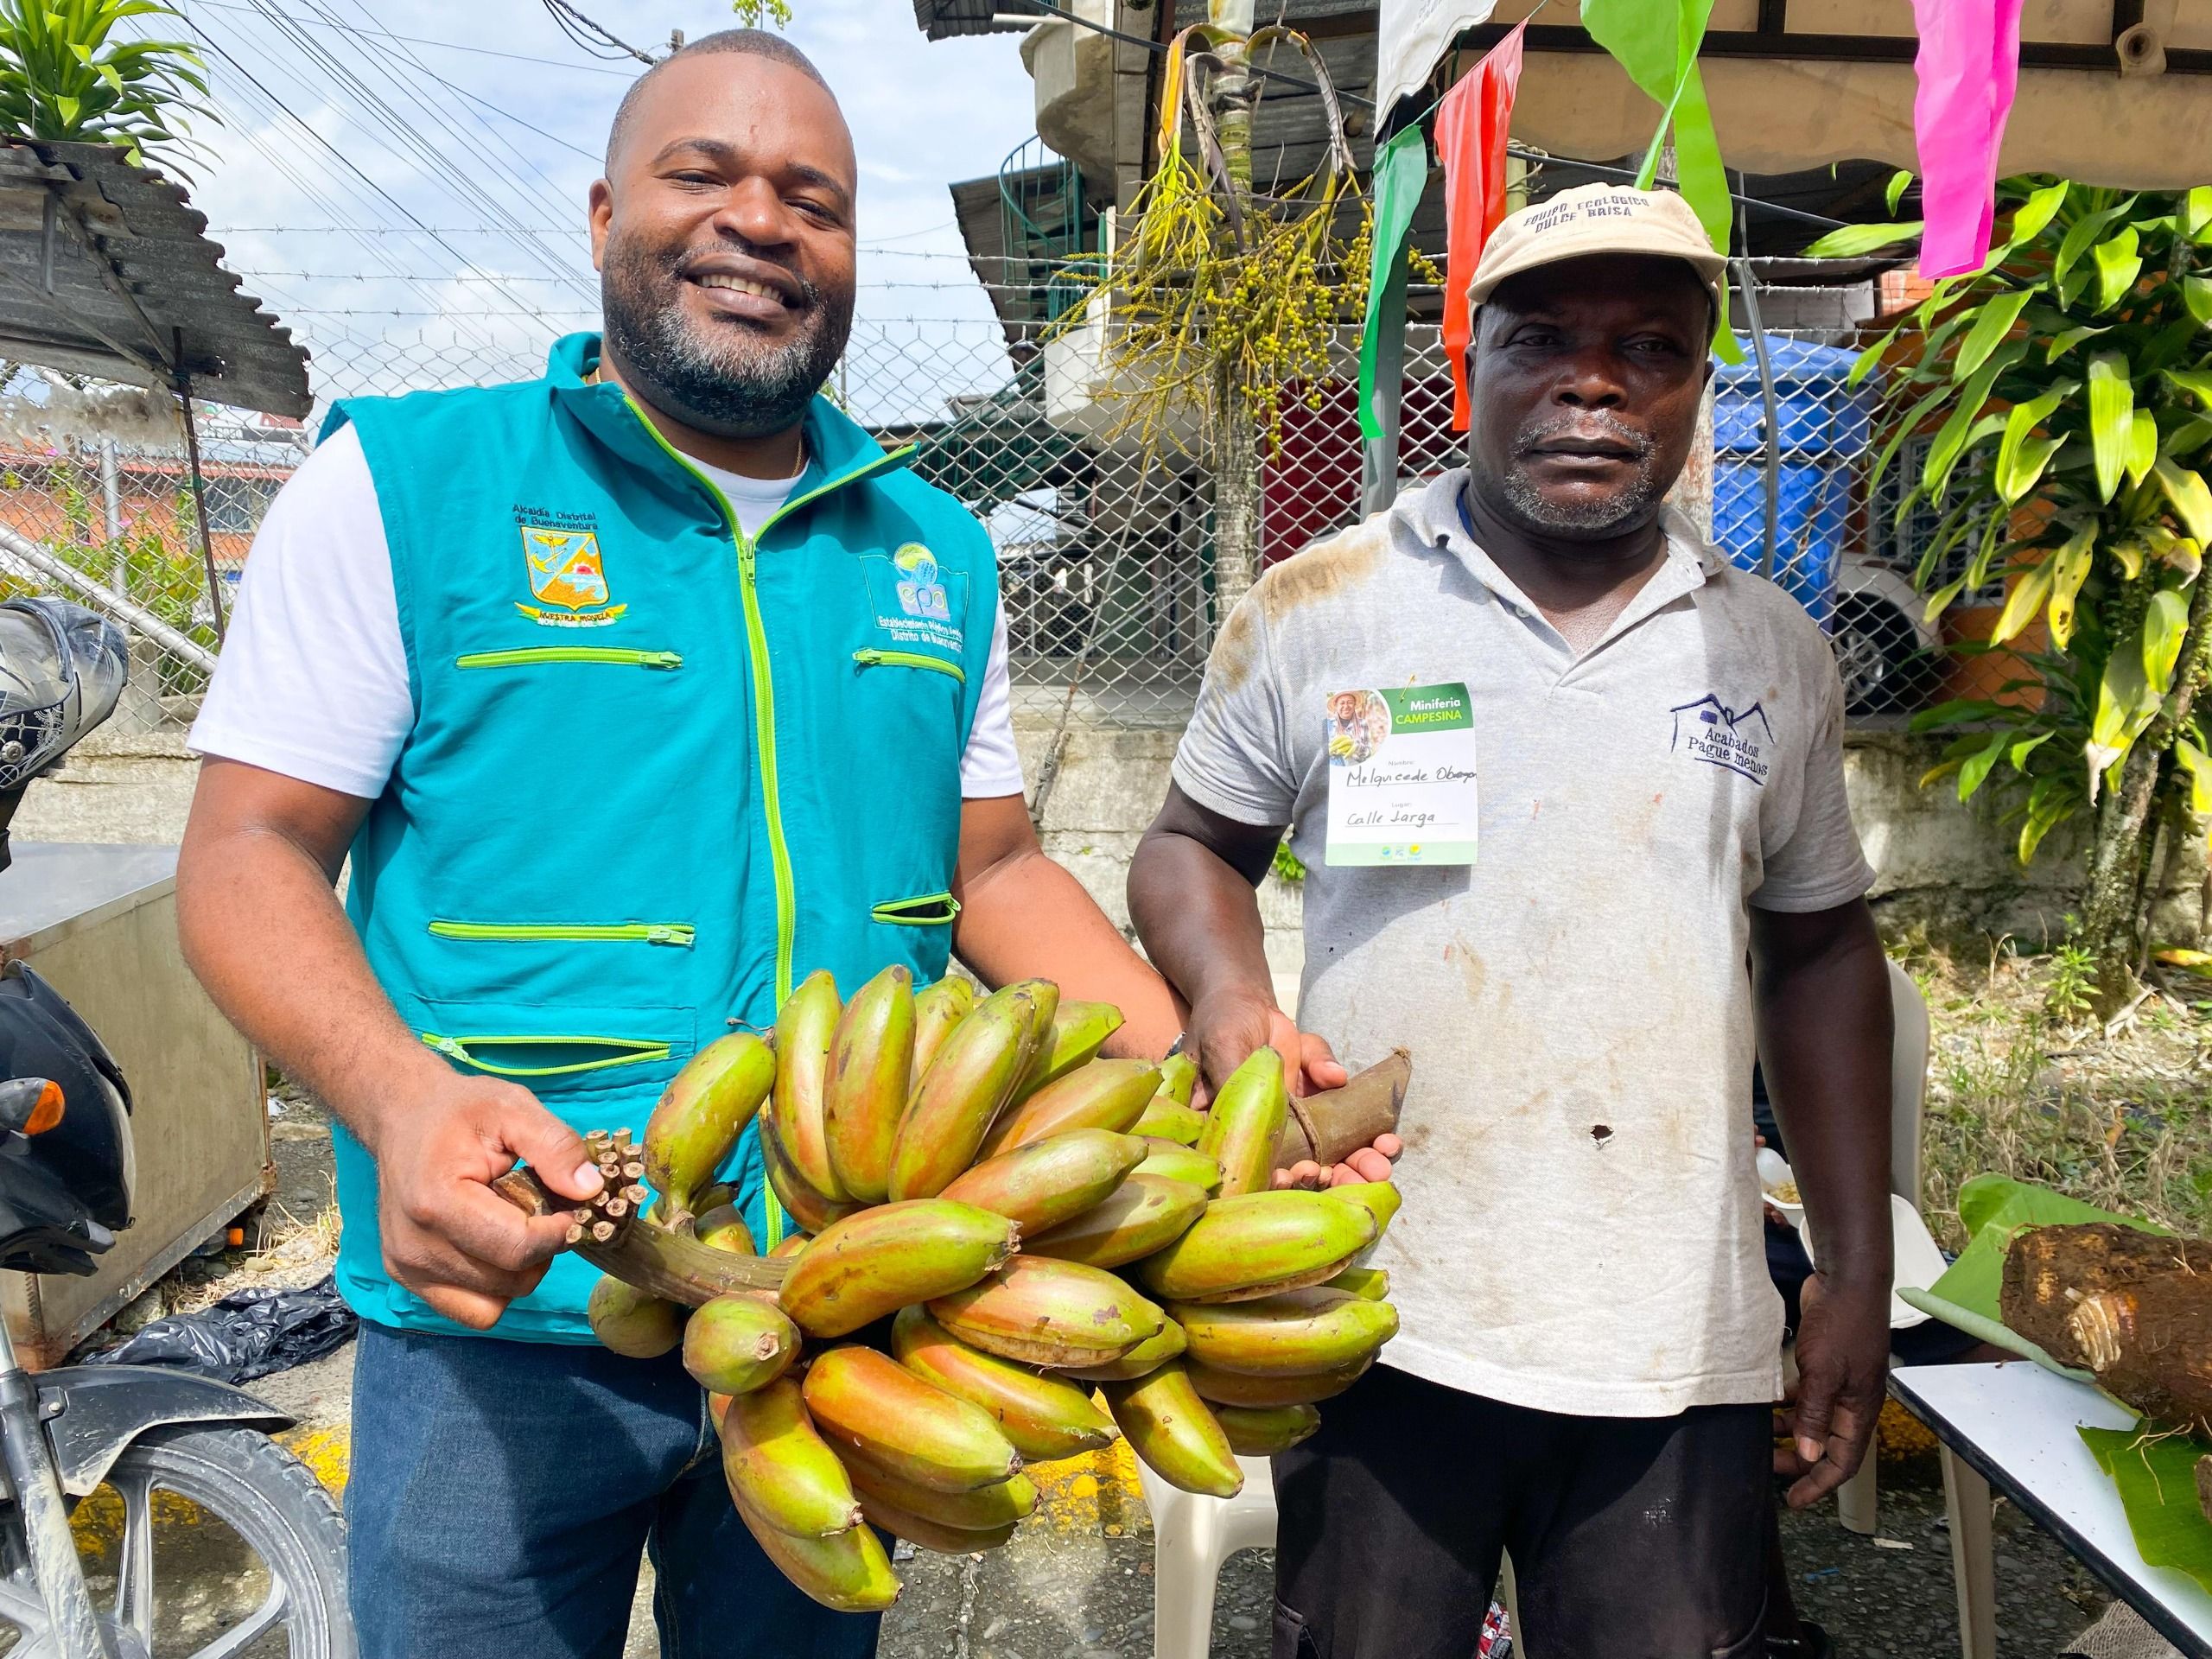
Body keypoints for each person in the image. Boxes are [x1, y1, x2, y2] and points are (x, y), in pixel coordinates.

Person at [172, 30, 1333, 1658]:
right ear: (601, 214)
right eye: (701, 175)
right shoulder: (408, 485)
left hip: (853, 1312)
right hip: (507, 1315)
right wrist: (395, 1096)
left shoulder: (934, 544)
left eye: (815, 199)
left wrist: (1203, 1069)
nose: (761, 223)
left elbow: (992, 872)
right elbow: (244, 854)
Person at [1127, 182, 1896, 1659]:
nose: (1594, 380)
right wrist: (1228, 1001)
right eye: (1543, 337)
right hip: (1379, 1295)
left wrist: (1852, 1266)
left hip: (1676, 1328)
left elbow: (1821, 946)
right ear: (1466, 363)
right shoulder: (1324, 606)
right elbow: (1188, 848)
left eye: (1651, 348)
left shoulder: (1776, 649)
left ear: (1696, 389)